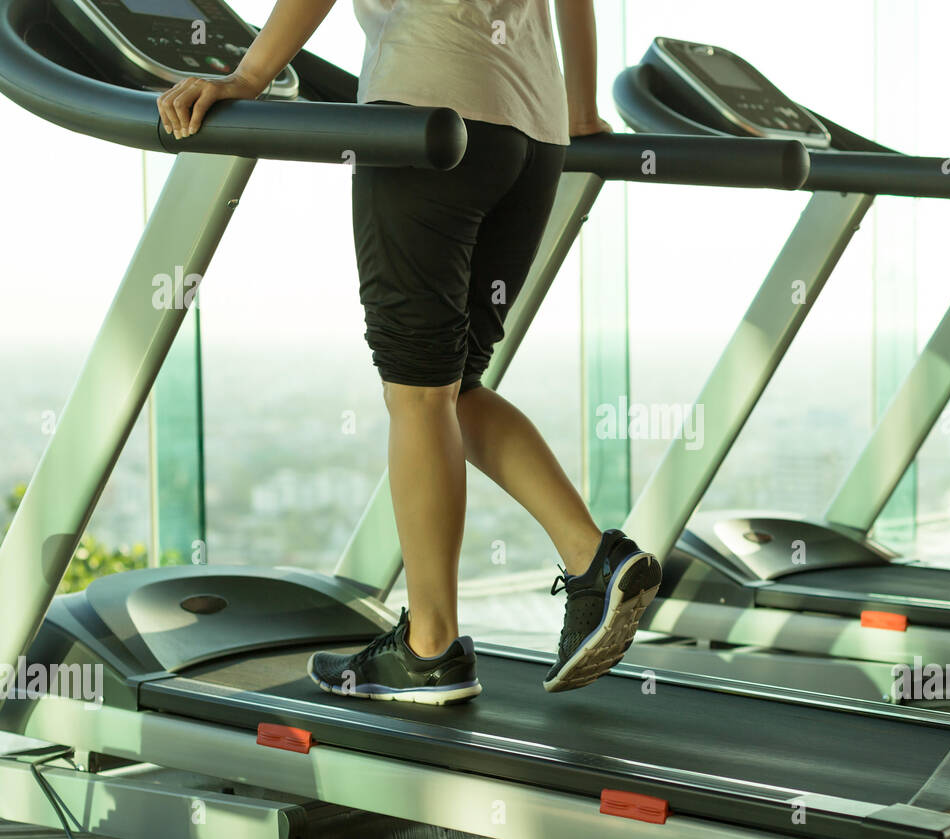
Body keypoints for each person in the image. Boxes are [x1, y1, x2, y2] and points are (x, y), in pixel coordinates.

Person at [156, 0, 661, 704]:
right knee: (455, 384)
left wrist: (248, 76)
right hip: (534, 132)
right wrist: (580, 107)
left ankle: (429, 649)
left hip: (427, 114)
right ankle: (595, 559)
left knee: (420, 391)